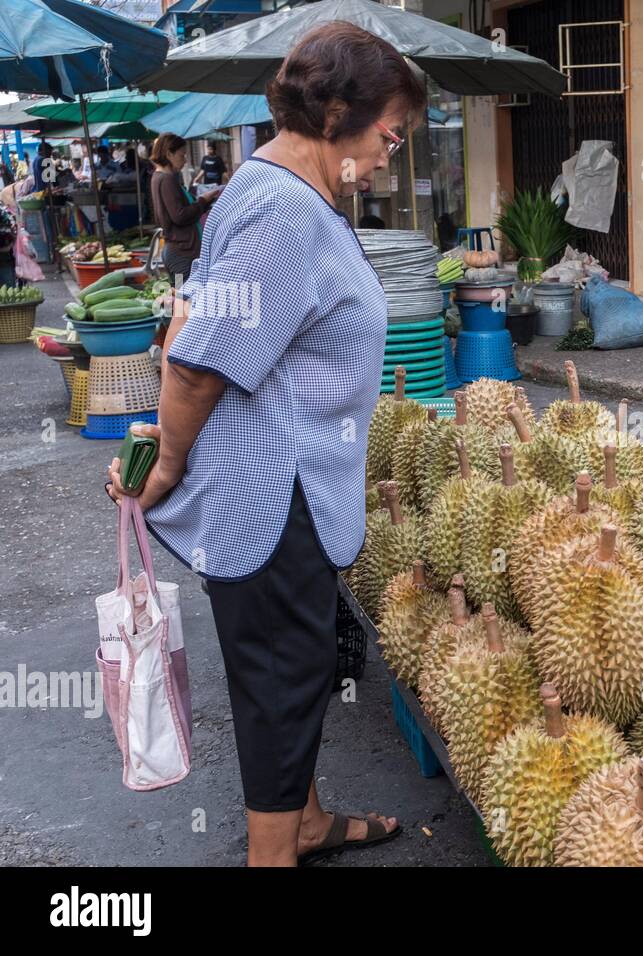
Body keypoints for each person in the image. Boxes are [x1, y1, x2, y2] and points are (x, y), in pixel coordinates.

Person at [108, 21, 426, 867]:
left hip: (291, 487)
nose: (391, 157)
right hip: (271, 499)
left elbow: (193, 330)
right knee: (282, 685)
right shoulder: (285, 212)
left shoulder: (280, 194)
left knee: (298, 672)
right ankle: (271, 855)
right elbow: (200, 363)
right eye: (389, 135)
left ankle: (309, 821)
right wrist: (166, 467)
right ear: (334, 112)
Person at [150, 133, 221, 283]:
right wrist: (203, 200)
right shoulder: (166, 180)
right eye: (182, 155)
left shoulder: (158, 178)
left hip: (178, 251)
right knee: (183, 299)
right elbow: (179, 215)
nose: (185, 159)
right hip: (181, 254)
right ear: (169, 154)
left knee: (181, 298)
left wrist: (204, 202)